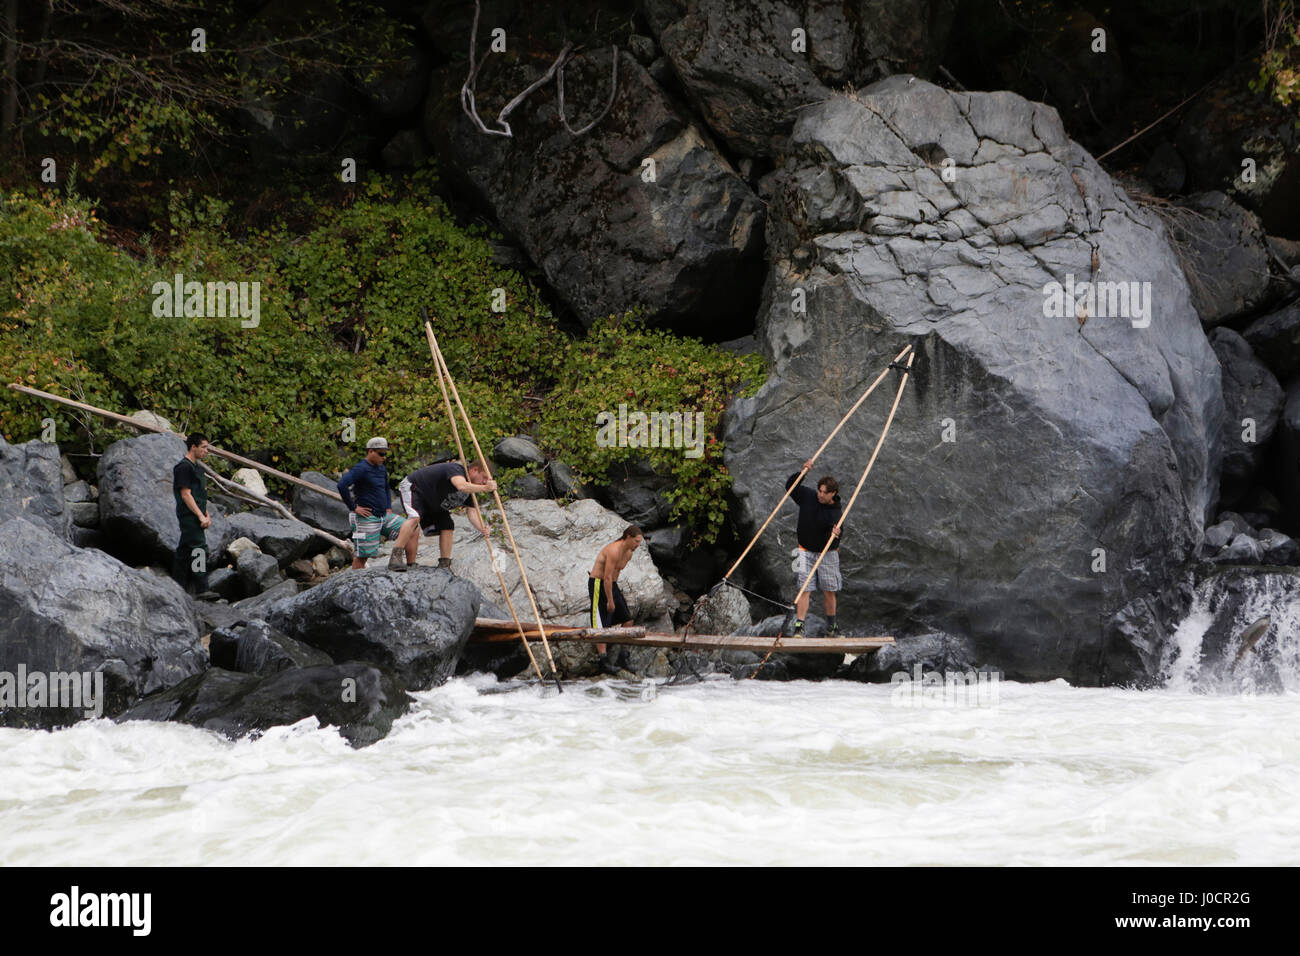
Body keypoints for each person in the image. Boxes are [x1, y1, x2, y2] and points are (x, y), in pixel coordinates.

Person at [390, 459, 496, 571]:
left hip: (434, 502)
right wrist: (485, 488)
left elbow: (472, 512)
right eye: (484, 477)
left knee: (447, 525)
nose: (484, 482)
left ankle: (444, 565)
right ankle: (396, 557)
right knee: (414, 518)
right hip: (415, 488)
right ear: (475, 470)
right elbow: (461, 485)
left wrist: (482, 528)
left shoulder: (472, 491)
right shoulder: (456, 469)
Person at [786, 459, 843, 635]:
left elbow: (835, 542)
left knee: (829, 590)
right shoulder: (808, 496)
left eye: (824, 493)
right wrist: (803, 472)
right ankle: (799, 626)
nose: (820, 495)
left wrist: (836, 535)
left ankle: (831, 627)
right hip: (803, 550)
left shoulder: (837, 513)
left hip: (828, 554)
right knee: (804, 588)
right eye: (819, 490)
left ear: (833, 494)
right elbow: (790, 486)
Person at [338, 437, 403, 570]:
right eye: (381, 454)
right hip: (365, 518)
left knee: (410, 528)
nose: (384, 457)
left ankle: (407, 563)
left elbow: (385, 487)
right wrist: (354, 507)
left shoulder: (381, 468)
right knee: (362, 556)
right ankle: (354, 585)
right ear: (371, 451)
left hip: (382, 515)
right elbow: (342, 485)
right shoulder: (361, 468)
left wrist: (388, 506)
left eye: (385, 454)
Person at [587, 525, 643, 655]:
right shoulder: (613, 550)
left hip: (612, 584)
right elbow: (607, 577)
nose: (638, 545)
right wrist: (610, 601)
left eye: (639, 542)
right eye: (636, 541)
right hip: (598, 584)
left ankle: (623, 655)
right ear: (628, 537)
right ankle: (603, 660)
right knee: (600, 625)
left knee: (628, 620)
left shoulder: (628, 553)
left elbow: (614, 575)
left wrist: (615, 595)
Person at [172, 433, 212, 595]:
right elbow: (186, 494)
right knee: (199, 549)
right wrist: (200, 516)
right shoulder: (184, 467)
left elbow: (199, 494)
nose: (206, 451)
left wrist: (206, 514)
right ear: (193, 447)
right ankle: (201, 588)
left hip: (197, 515)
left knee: (184, 551)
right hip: (189, 516)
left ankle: (177, 586)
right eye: (203, 447)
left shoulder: (197, 468)